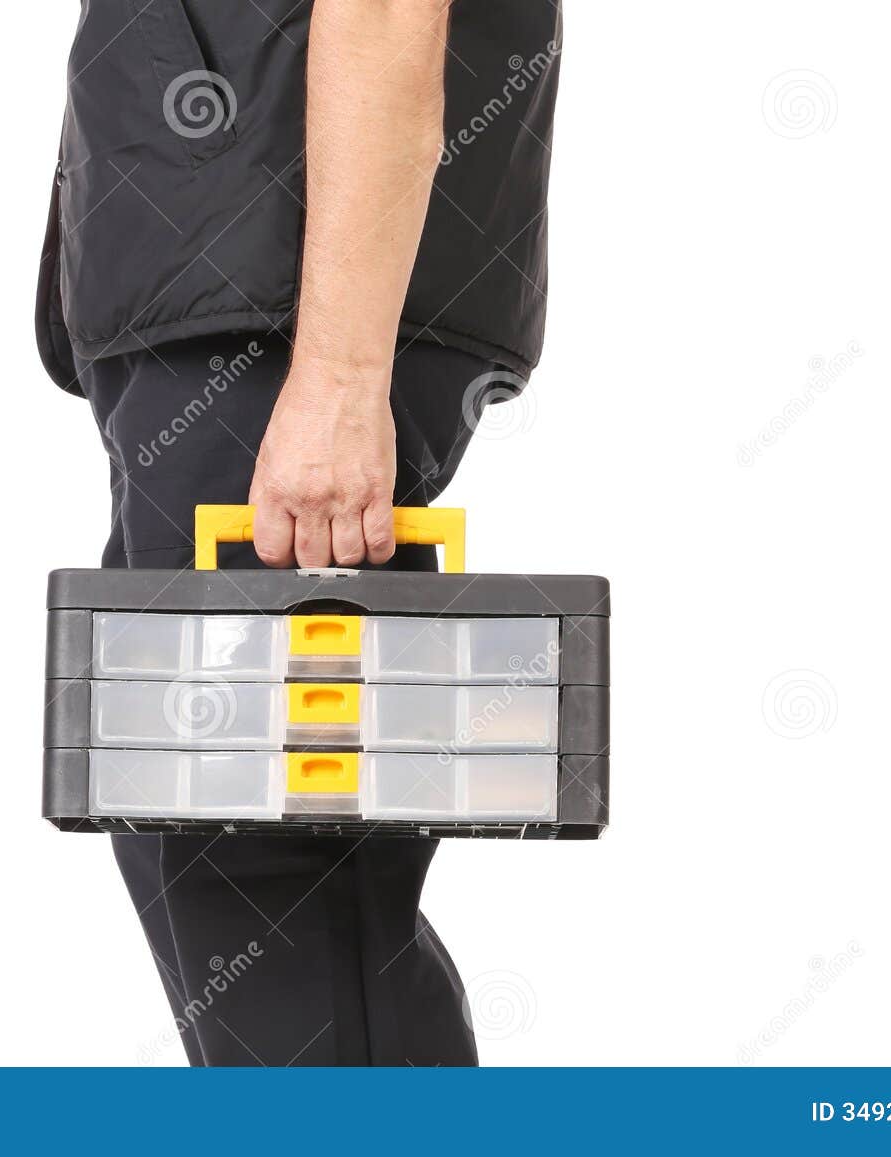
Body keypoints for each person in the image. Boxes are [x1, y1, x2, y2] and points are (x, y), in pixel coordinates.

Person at [36, 0, 560, 1065]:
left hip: (279, 317)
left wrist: (338, 376)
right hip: (230, 300)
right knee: (211, 847)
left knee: (271, 874)